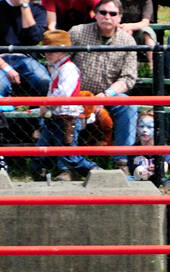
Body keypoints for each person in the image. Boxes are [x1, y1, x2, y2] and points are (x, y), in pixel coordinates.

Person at [69, 0, 138, 170]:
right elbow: (60, 63)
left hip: (109, 95)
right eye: (103, 12)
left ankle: (121, 163)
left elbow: (128, 78)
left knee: (128, 106)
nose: (107, 16)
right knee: (66, 109)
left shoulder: (127, 40)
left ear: (120, 17)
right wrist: (76, 94)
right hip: (78, 95)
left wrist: (106, 95)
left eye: (113, 14)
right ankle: (68, 166)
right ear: (95, 13)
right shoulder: (77, 32)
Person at [30, 28, 97, 178]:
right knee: (42, 148)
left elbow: (64, 93)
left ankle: (95, 171)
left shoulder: (69, 69)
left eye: (51, 51)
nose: (47, 54)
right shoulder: (58, 68)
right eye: (46, 51)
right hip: (55, 117)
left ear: (63, 51)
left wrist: (47, 103)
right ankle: (39, 172)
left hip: (68, 118)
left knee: (69, 155)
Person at [0, 0, 50, 96]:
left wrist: (25, 7)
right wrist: (7, 68)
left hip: (26, 57)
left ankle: (40, 108)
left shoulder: (37, 10)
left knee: (43, 79)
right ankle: (0, 110)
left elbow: (35, 38)